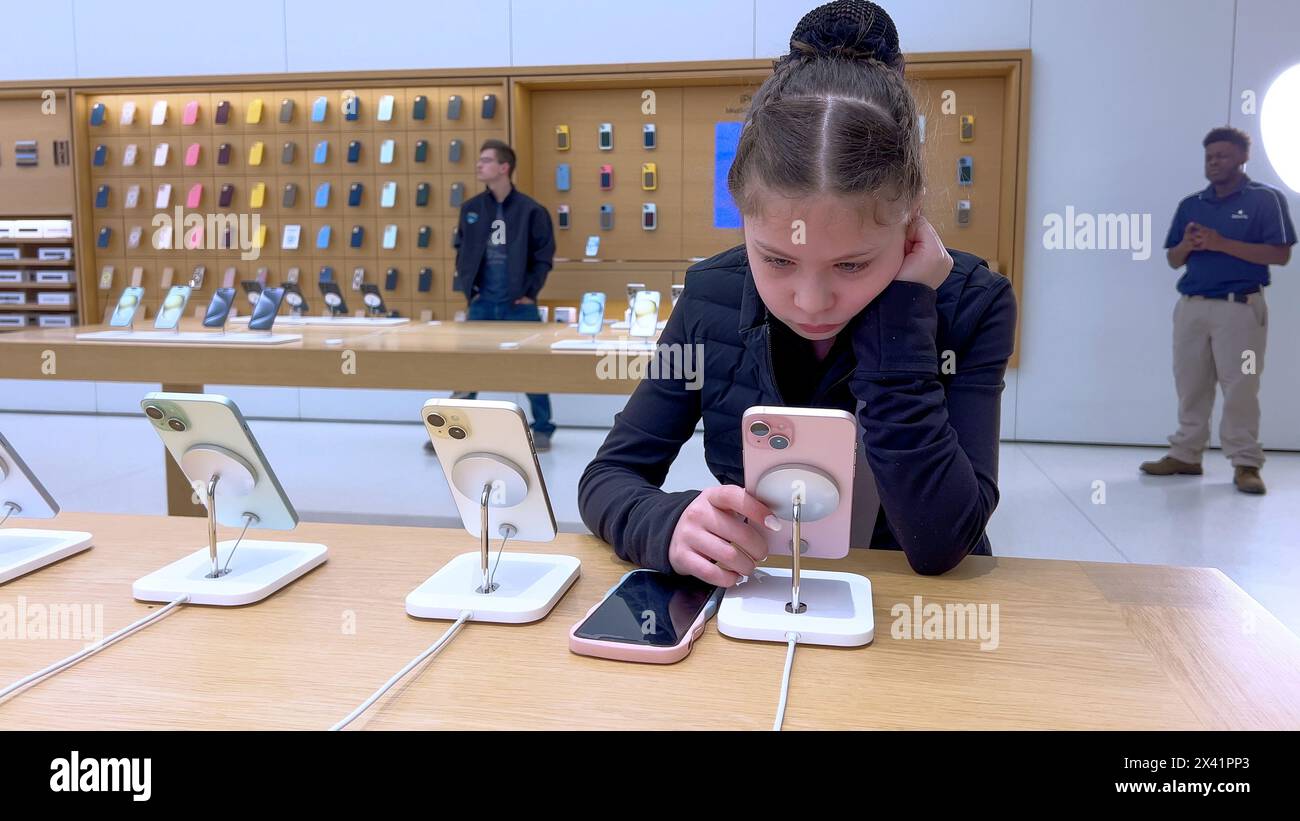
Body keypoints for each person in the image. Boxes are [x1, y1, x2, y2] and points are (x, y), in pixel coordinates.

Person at [578, 0, 1017, 586]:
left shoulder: (972, 304)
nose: (811, 301)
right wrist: (667, 521)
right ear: (742, 219)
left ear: (911, 223)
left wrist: (903, 324)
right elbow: (609, 477)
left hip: (904, 619)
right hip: (756, 597)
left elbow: (943, 542)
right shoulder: (712, 292)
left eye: (852, 264)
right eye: (777, 259)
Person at [1140, 127, 1294, 493]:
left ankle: (1245, 463)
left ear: (1242, 157)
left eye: (1223, 155)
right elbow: (1173, 260)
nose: (1214, 162)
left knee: (1241, 386)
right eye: (1209, 156)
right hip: (1192, 308)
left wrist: (1220, 242)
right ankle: (1186, 455)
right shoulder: (1191, 204)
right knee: (1190, 385)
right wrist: (1188, 245)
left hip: (1240, 310)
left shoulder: (1265, 200)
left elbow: (1280, 254)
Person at [431, 139, 558, 453]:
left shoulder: (532, 210)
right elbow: (462, 250)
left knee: (532, 367)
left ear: (504, 167)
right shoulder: (471, 208)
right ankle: (451, 430)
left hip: (519, 304)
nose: (479, 165)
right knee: (468, 367)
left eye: (486, 160)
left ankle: (542, 428)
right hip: (482, 303)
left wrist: (531, 293)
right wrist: (469, 289)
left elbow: (544, 255)